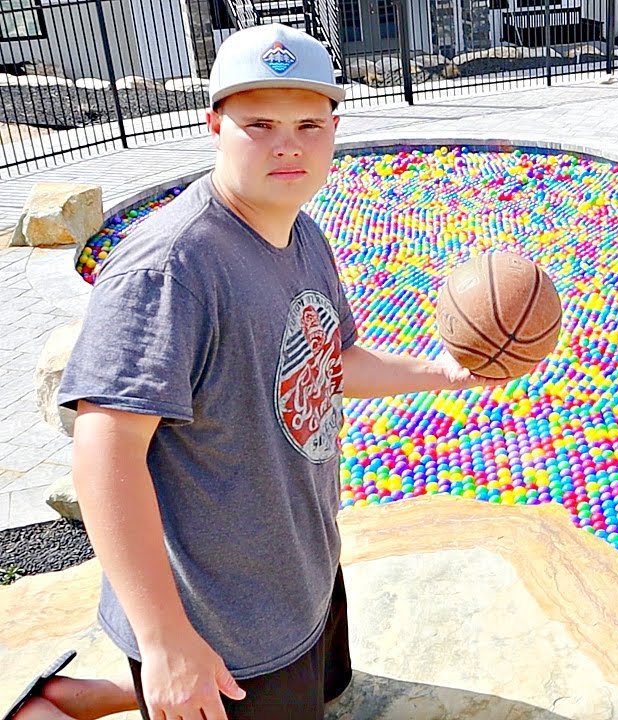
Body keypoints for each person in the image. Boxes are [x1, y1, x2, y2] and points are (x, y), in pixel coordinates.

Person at [5, 23, 504, 720]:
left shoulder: (300, 229)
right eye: (259, 123)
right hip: (218, 614)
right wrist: (166, 641)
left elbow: (330, 363)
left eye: (308, 123)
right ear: (215, 125)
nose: (288, 144)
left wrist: (443, 373)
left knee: (317, 692)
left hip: (301, 569)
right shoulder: (172, 269)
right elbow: (105, 458)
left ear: (334, 126)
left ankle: (81, 693)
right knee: (238, 691)